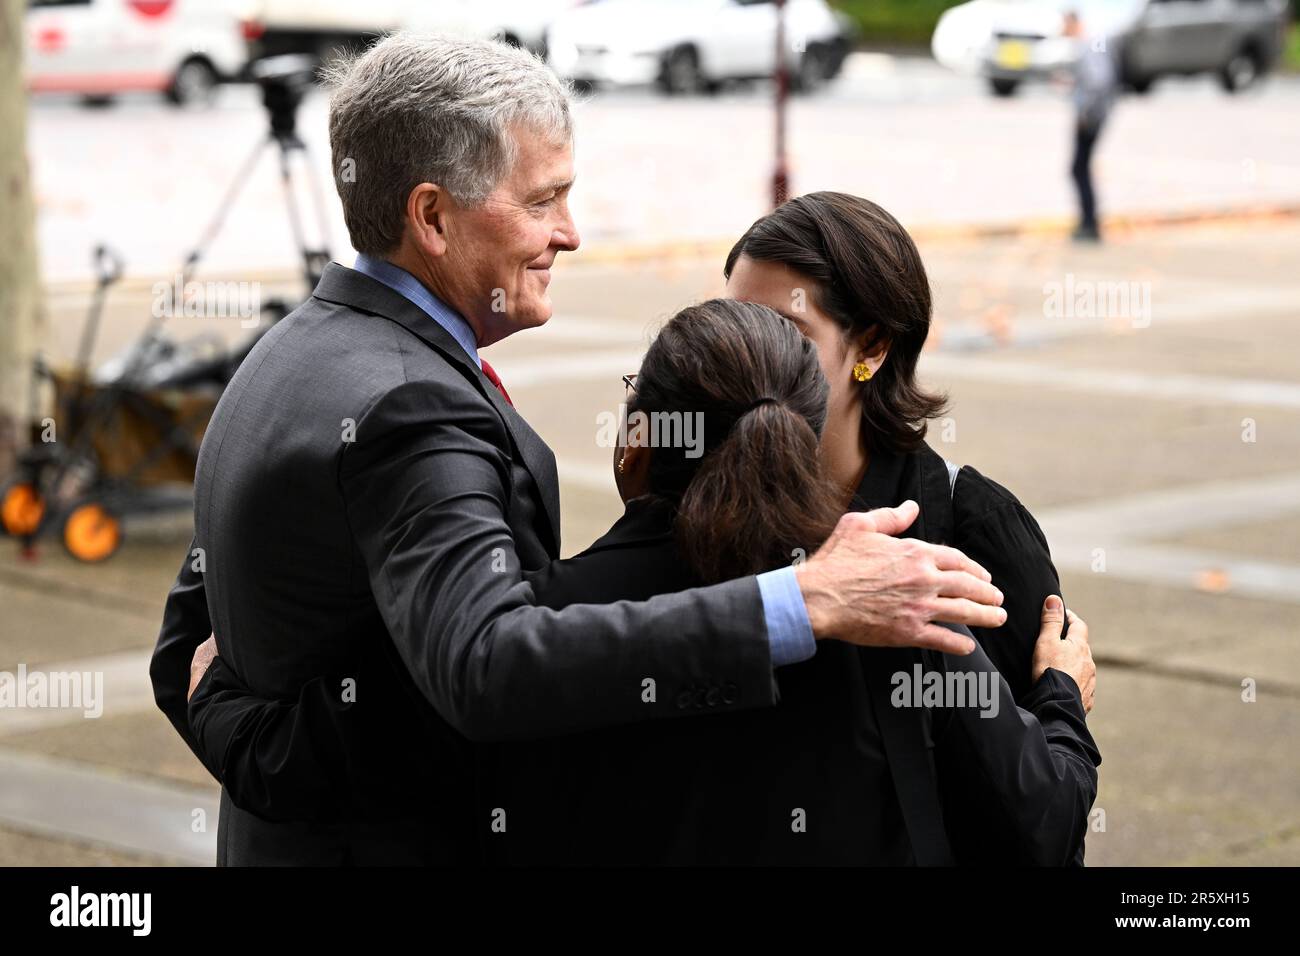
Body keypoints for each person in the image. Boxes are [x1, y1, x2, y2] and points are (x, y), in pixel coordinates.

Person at [149, 36, 1005, 866]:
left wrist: (236, 727)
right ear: (433, 217)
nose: (570, 232)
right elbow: (486, 666)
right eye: (541, 200)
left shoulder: (288, 352)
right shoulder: (411, 407)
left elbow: (193, 630)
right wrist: (795, 603)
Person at [186, 299, 1099, 865]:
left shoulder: (538, 628)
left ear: (635, 443)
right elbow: (1044, 827)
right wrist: (1058, 696)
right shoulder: (899, 606)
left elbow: (311, 761)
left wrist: (218, 693)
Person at [722, 190, 1098, 861]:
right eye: (734, 328)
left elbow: (1039, 822)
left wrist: (1058, 705)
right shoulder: (714, 507)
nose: (747, 362)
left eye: (786, 333)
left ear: (870, 346)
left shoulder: (972, 525)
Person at [1062, 10, 1118, 242]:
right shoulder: (1090, 45)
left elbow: (1099, 80)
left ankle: (1089, 223)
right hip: (1095, 115)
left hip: (1091, 118)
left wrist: (1086, 112)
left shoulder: (1088, 46)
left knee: (1078, 168)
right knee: (1080, 168)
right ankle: (1088, 222)